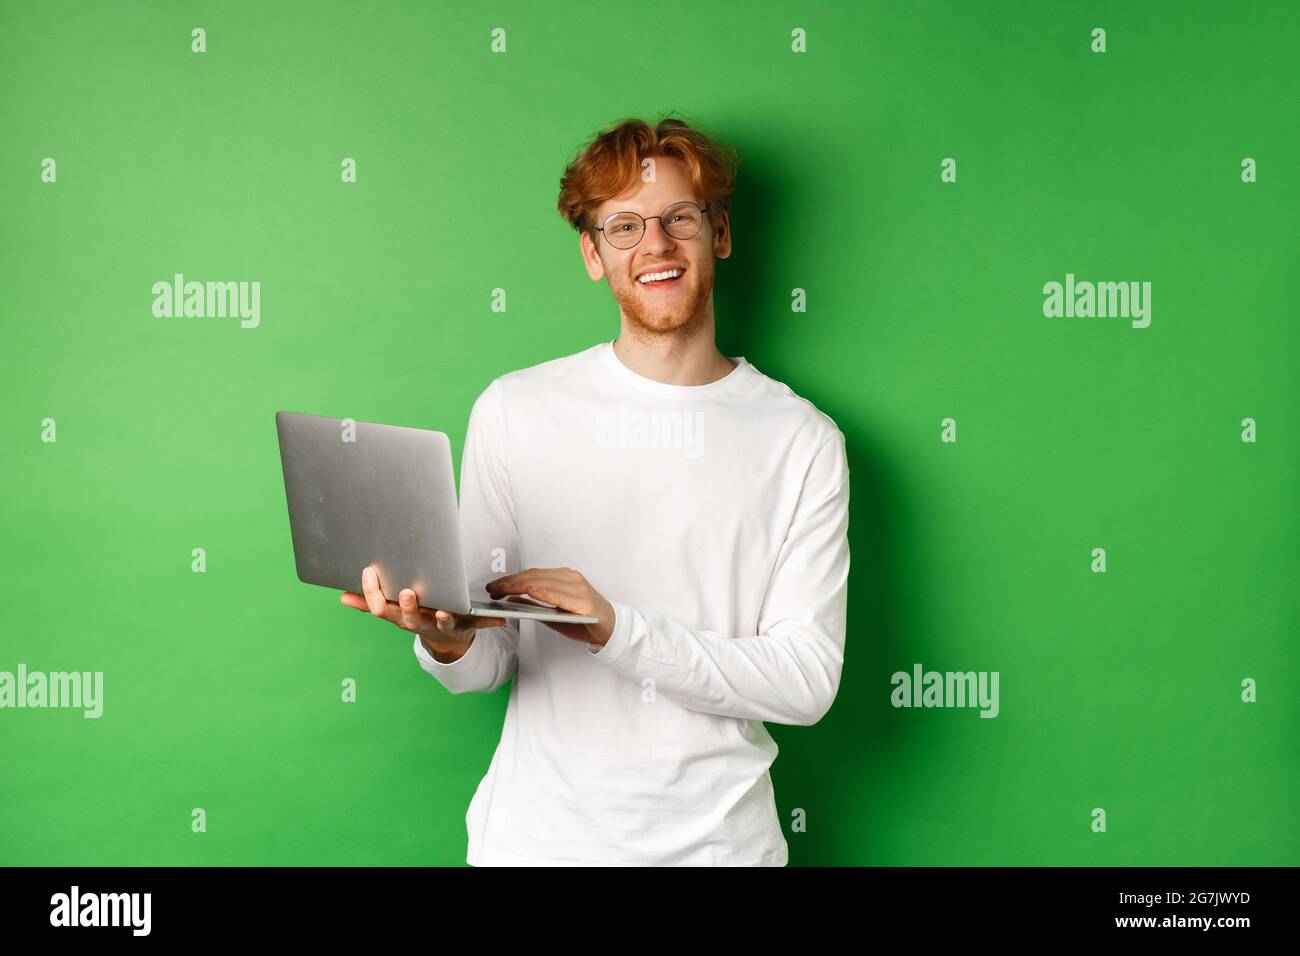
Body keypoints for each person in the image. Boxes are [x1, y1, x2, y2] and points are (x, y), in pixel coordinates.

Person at [340, 115, 851, 865]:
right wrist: (447, 640)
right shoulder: (516, 410)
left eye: (679, 217)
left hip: (720, 851)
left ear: (720, 233)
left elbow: (806, 681)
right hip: (537, 846)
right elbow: (489, 660)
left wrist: (618, 629)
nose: (655, 245)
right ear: (593, 253)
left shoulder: (801, 440)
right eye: (624, 227)